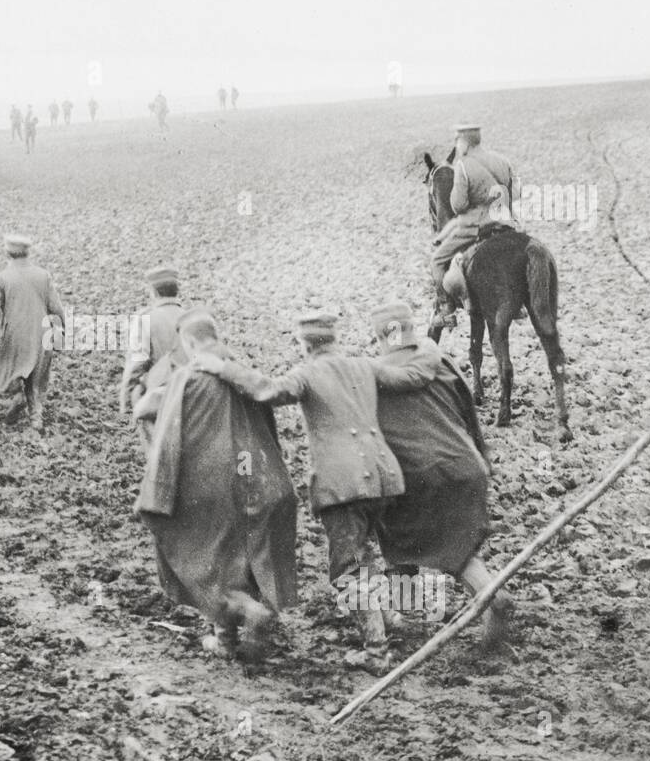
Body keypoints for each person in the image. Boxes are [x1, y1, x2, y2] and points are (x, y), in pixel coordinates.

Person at [193, 307, 429, 673]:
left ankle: (377, 649)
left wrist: (221, 367)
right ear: (334, 339)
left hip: (345, 483)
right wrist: (429, 349)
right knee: (365, 554)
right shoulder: (364, 365)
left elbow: (266, 390)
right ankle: (388, 618)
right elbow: (410, 377)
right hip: (385, 476)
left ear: (303, 343)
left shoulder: (307, 373)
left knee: (348, 570)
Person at [133, 308, 298, 661]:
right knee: (243, 555)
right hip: (260, 478)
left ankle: (251, 614)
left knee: (205, 556)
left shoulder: (187, 377)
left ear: (190, 343)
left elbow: (145, 410)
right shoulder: (243, 372)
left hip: (215, 485)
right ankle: (227, 640)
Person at [369, 301, 514, 648]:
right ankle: (491, 594)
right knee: (459, 550)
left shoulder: (373, 378)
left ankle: (404, 611)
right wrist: (483, 458)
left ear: (380, 337)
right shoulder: (442, 361)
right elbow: (470, 413)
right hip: (466, 467)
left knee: (395, 532)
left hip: (419, 475)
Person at [429, 124, 519, 329]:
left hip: (475, 226)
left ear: (463, 143)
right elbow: (517, 194)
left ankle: (446, 310)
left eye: (457, 141)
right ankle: (519, 304)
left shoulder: (463, 165)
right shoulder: (503, 161)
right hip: (506, 222)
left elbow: (458, 205)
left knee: (436, 260)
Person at [0, 233, 64, 430]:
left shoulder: (2, 278)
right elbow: (57, 309)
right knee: (37, 378)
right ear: (27, 252)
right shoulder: (43, 275)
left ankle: (17, 395)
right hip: (42, 334)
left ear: (7, 252)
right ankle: (36, 417)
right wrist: (60, 337)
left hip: (14, 334)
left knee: (7, 370)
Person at [120, 265, 187, 447]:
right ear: (176, 290)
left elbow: (137, 364)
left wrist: (127, 400)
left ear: (153, 292)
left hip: (162, 396)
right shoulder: (192, 318)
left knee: (158, 453)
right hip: (195, 392)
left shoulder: (145, 319)